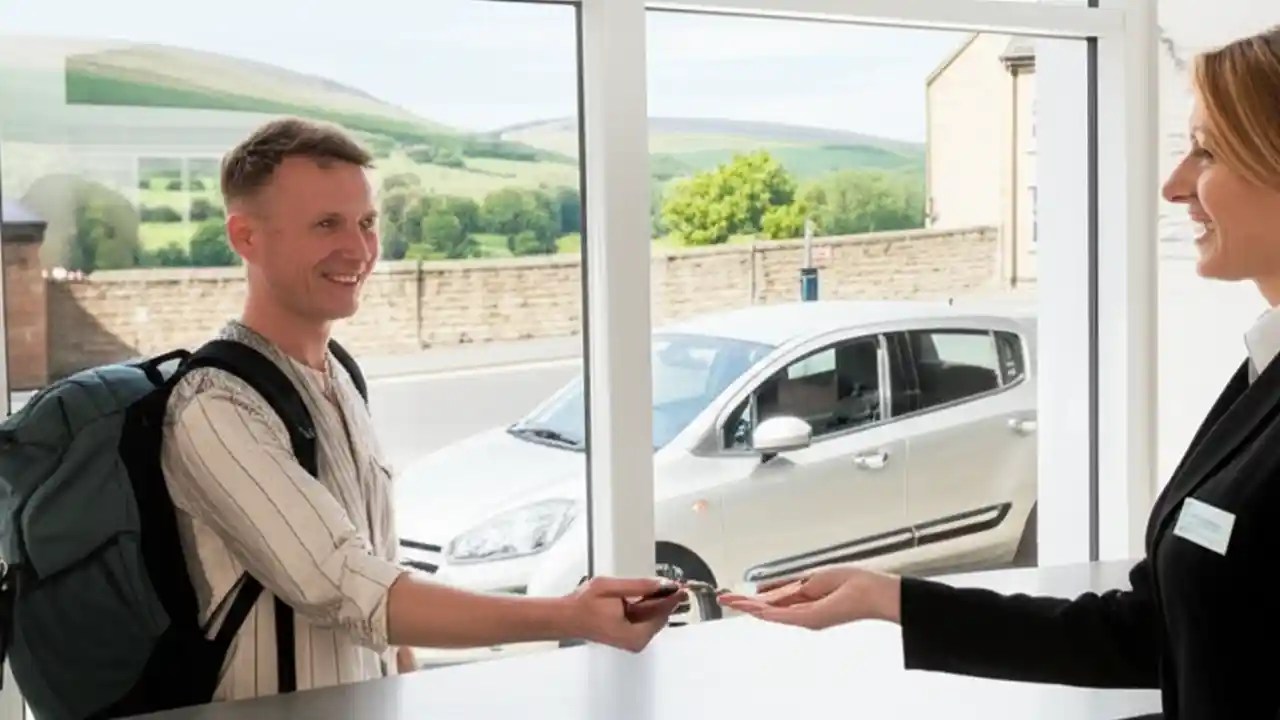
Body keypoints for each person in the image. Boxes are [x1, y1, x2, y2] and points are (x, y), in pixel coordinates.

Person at [718, 25, 1280, 720]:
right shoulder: (1262, 367)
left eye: (1208, 151)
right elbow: (1154, 633)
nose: (1174, 186)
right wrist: (890, 597)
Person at [160, 117, 685, 702]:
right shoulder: (217, 405)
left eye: (366, 223)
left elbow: (382, 579)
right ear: (246, 238)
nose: (359, 249)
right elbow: (351, 588)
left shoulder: (339, 375)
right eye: (326, 224)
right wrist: (571, 615)